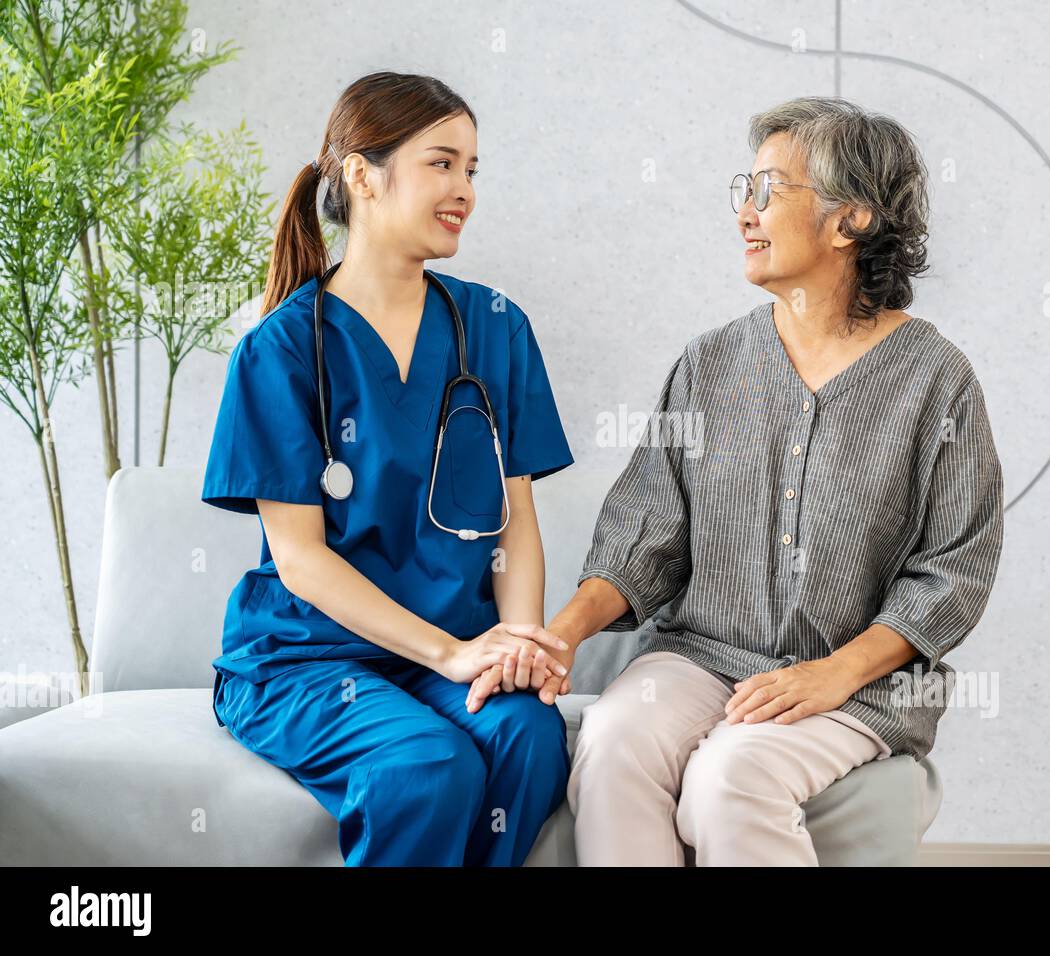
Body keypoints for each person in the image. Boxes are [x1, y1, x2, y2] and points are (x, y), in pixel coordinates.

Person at [469, 96, 1006, 866]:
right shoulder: (710, 363)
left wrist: (833, 674)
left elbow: (953, 572)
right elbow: (644, 537)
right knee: (613, 742)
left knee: (730, 776)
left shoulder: (936, 380)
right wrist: (560, 635)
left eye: (767, 191)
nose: (744, 214)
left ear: (849, 219)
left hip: (854, 684)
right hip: (699, 657)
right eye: (742, 191)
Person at [203, 71, 574, 866]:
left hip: (453, 647)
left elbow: (517, 520)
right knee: (424, 767)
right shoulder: (281, 352)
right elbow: (300, 560)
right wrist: (450, 654)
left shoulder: (495, 330)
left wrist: (511, 639)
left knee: (529, 734)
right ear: (362, 176)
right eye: (442, 163)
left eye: (473, 169)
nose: (464, 189)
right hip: (310, 661)